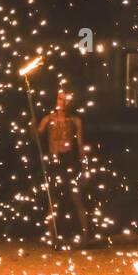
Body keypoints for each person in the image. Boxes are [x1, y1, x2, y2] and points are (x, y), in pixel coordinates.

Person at [35, 90, 91, 240]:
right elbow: (36, 135)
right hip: (54, 161)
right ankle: (52, 237)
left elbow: (80, 146)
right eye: (61, 99)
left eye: (66, 100)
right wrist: (32, 125)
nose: (63, 103)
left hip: (69, 161)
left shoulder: (75, 121)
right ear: (57, 100)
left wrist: (85, 167)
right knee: (52, 200)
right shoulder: (48, 119)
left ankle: (86, 235)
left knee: (76, 197)